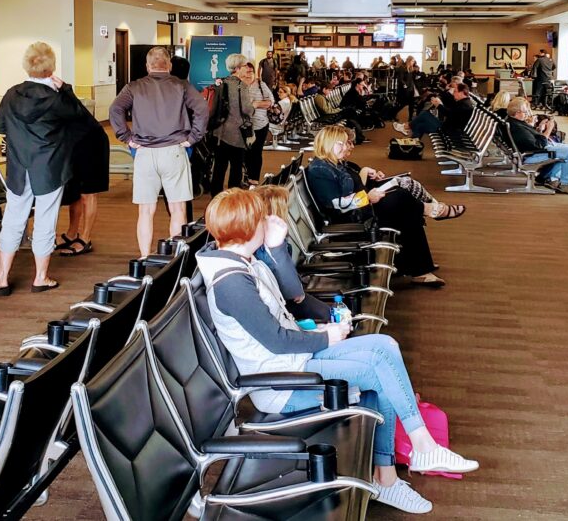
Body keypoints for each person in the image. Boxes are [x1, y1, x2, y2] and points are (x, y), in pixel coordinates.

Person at [196, 188, 479, 515]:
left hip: (296, 361)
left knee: (384, 346)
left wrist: (275, 247)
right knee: (377, 374)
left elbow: (291, 293)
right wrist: (326, 337)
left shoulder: (244, 262)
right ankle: (392, 473)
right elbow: (275, 340)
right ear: (248, 227)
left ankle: (417, 451)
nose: (268, 221)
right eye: (262, 219)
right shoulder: (231, 282)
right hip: (282, 384)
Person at [0, 42, 85, 295]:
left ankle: (2, 279)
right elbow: (80, 117)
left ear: (26, 65)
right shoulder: (56, 99)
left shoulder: (11, 94)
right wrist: (65, 89)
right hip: (49, 168)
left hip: (18, 168)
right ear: (51, 67)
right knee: (45, 220)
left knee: (13, 219)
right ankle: (40, 277)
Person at [306, 126, 448, 286]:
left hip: (358, 212)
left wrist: (367, 190)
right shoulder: (321, 170)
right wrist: (367, 197)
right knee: (401, 200)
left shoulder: (332, 165)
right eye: (342, 143)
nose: (346, 147)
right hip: (351, 219)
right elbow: (336, 204)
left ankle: (419, 266)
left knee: (403, 202)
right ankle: (420, 261)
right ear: (329, 143)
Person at [109, 46, 208, 258]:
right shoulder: (181, 85)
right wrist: (193, 137)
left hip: (144, 152)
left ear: (147, 66)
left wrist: (126, 137)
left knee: (145, 211)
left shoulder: (134, 87)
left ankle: (145, 256)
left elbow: (115, 109)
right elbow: (202, 108)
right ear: (169, 65)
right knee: (178, 208)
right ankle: (176, 258)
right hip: (174, 151)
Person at [251, 185, 333, 322]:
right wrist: (297, 290)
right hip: (284, 302)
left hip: (282, 297)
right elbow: (291, 289)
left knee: (328, 313)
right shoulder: (271, 243)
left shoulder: (260, 239)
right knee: (329, 315)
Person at [55, 92, 110, 257]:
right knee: (74, 193)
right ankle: (71, 234)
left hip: (93, 143)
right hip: (73, 145)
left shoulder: (57, 99)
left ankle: (85, 239)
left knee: (87, 193)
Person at [507, 98, 568, 195]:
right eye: (525, 112)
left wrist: (539, 129)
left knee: (566, 149)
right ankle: (566, 184)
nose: (527, 114)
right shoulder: (518, 128)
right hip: (530, 155)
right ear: (517, 112)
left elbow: (531, 140)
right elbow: (539, 145)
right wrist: (549, 129)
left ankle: (547, 177)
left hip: (531, 152)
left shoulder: (515, 123)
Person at [210, 53, 257, 196]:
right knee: (236, 168)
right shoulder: (241, 86)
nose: (247, 69)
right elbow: (246, 109)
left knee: (219, 167)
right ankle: (233, 198)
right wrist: (254, 107)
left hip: (219, 132)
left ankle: (215, 198)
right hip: (237, 133)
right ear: (237, 68)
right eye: (244, 66)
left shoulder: (221, 83)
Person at [243, 63, 276, 185]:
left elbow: (271, 102)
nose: (248, 75)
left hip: (260, 124)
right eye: (245, 72)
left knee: (256, 152)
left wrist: (256, 104)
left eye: (250, 72)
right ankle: (247, 175)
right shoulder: (239, 86)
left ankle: (254, 178)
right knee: (245, 152)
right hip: (244, 125)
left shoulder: (261, 85)